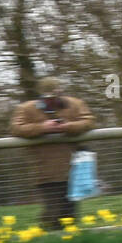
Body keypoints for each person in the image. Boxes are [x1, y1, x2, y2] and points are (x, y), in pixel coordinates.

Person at [9, 77, 96, 230]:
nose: (51, 100)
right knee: (53, 212)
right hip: (45, 170)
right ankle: (47, 240)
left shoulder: (76, 104)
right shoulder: (26, 109)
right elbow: (16, 128)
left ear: (60, 93)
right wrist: (42, 127)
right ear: (41, 96)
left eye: (55, 96)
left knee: (70, 213)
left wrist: (68, 126)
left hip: (74, 167)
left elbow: (89, 122)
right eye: (48, 97)